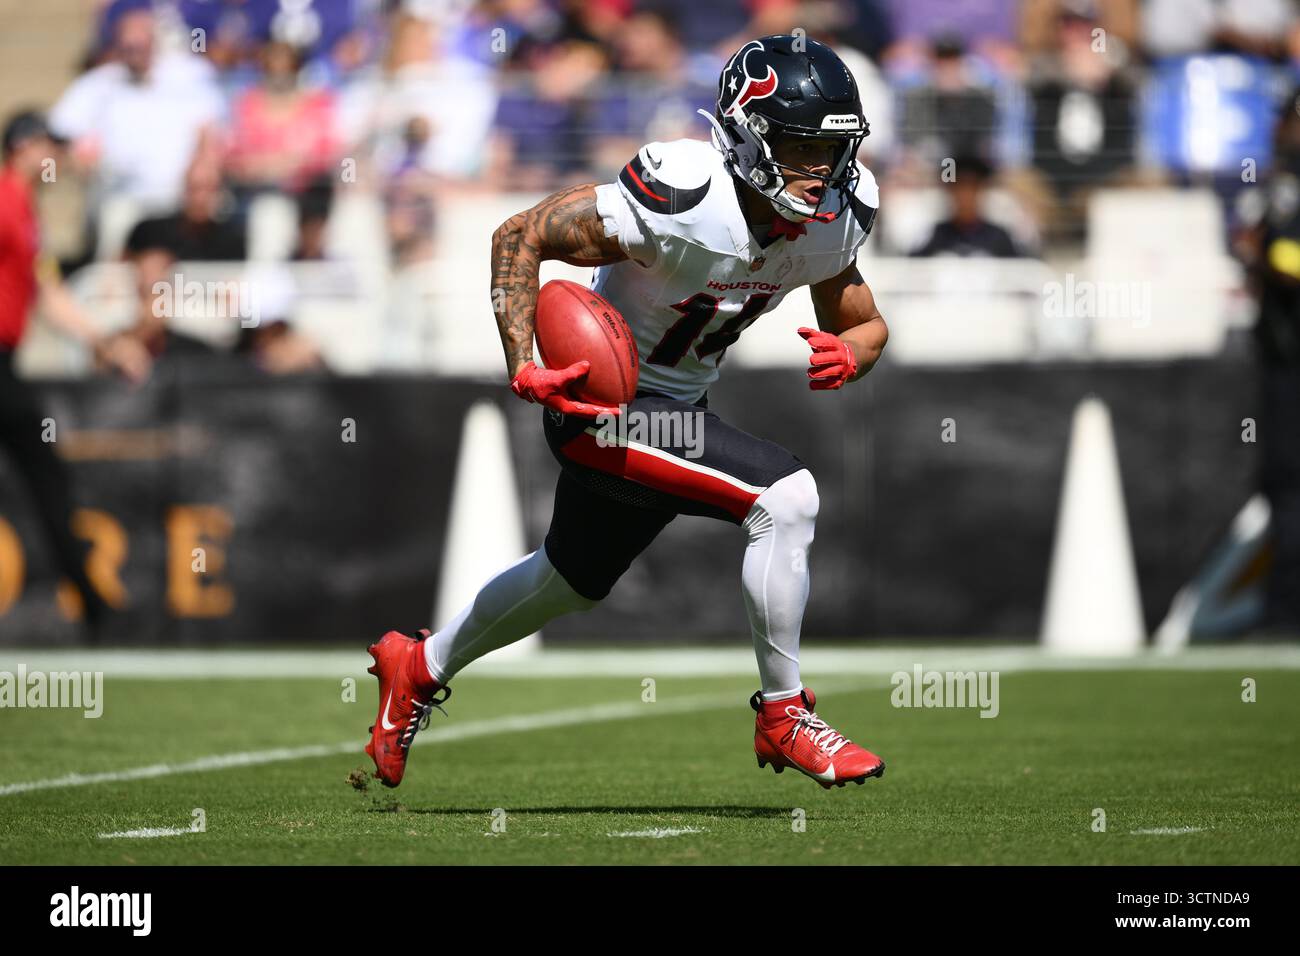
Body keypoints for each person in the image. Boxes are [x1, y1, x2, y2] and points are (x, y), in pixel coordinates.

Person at [364, 36, 891, 791]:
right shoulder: (680, 194)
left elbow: (864, 322)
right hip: (601, 405)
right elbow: (518, 235)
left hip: (675, 410)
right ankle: (783, 715)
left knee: (569, 580)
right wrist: (523, 362)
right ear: (747, 135)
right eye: (802, 147)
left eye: (833, 150)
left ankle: (417, 664)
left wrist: (856, 353)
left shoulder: (836, 215)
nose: (822, 172)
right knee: (786, 497)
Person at [0, 111, 148, 638]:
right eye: (49, 147)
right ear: (24, 146)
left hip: (6, 368)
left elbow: (49, 296)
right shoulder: (5, 199)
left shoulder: (23, 209)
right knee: (48, 483)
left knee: (50, 483)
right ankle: (94, 609)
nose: (56, 160)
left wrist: (105, 343)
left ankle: (93, 607)